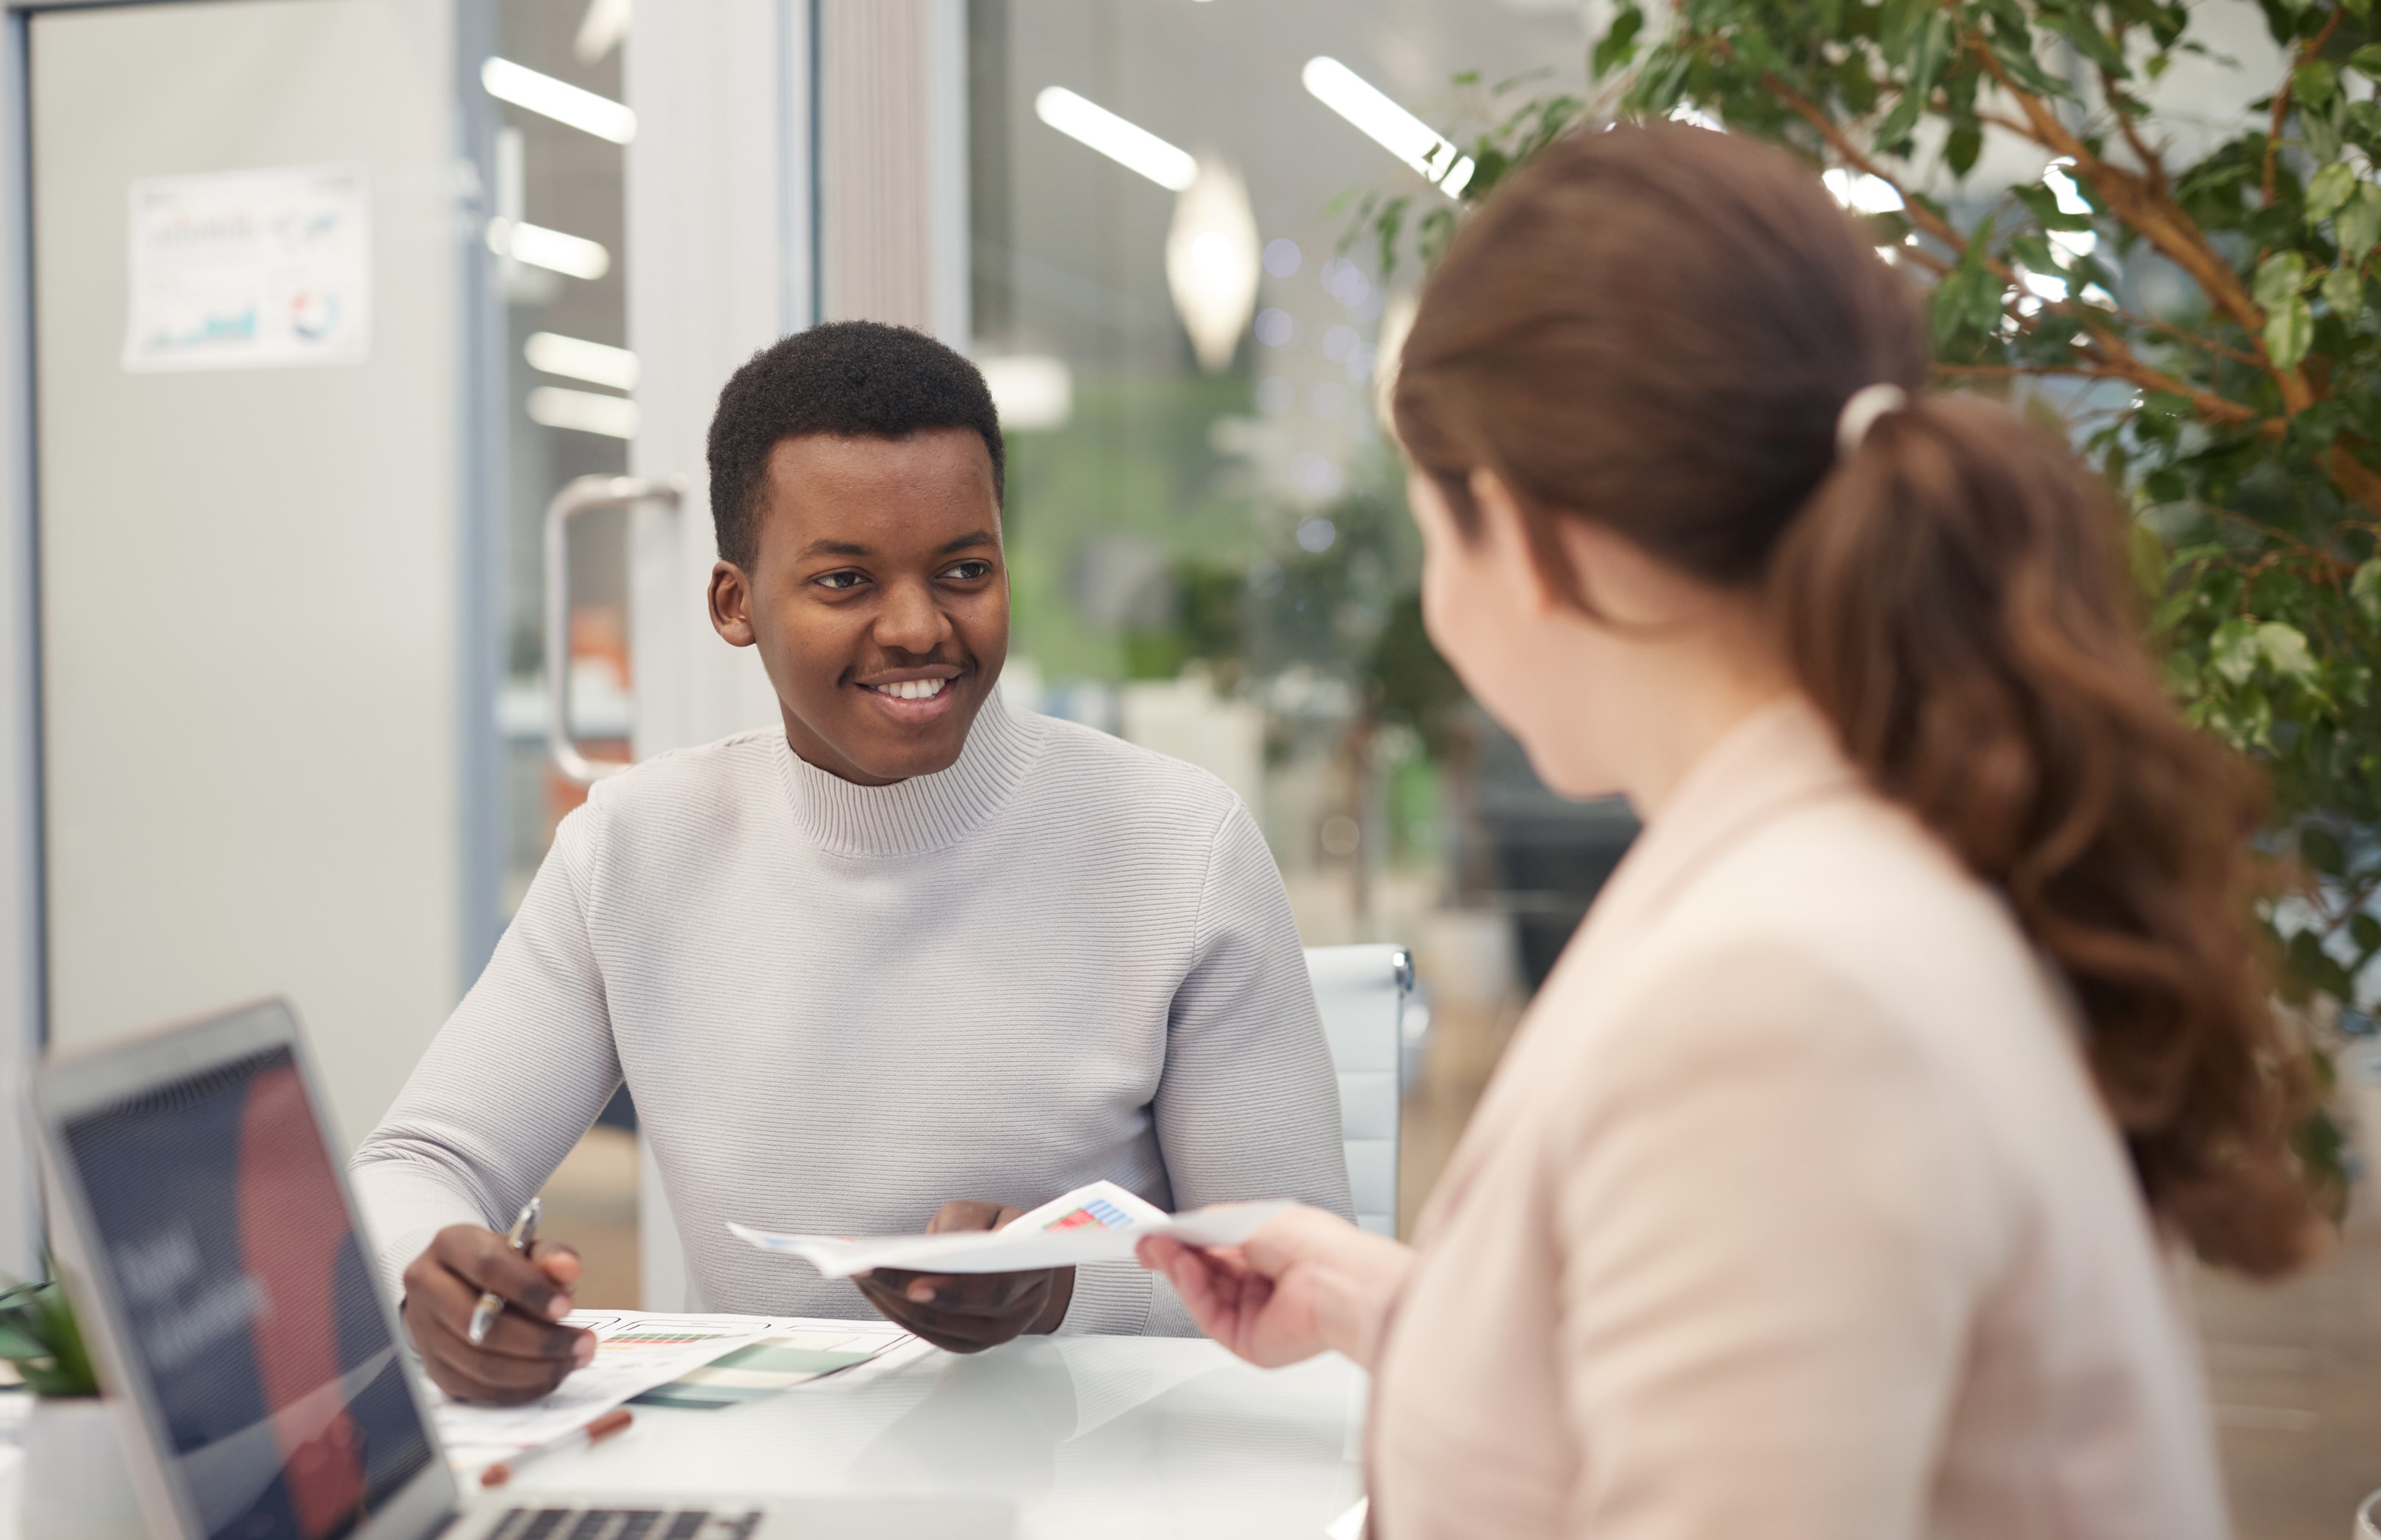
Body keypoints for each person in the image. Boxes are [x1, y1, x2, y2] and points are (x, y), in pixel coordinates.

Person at [1138, 125, 2319, 1538]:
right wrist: (1389, 1305)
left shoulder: (1780, 994)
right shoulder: (1841, 863)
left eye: (1431, 533)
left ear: (1516, 533)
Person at [353, 320, 1352, 1405]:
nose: (919, 626)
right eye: (846, 581)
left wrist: (1064, 1292)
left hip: (1105, 1479)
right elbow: (414, 1166)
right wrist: (434, 1279)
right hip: (775, 1477)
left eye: (964, 570)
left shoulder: (1178, 846)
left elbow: (1303, 1283)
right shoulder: (632, 851)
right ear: (737, 605)